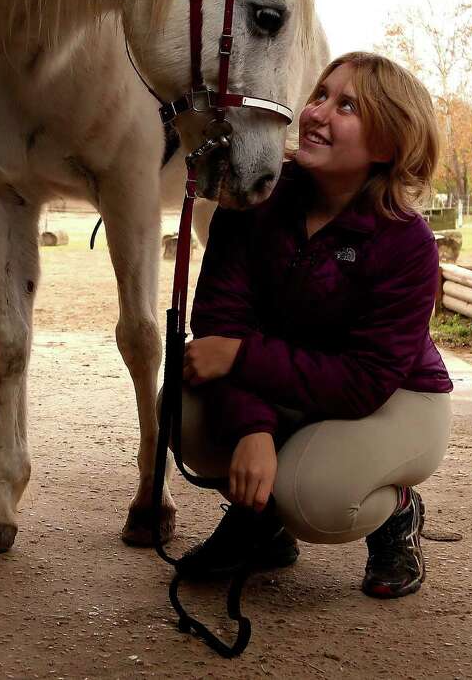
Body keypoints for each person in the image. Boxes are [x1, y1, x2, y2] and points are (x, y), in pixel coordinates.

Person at [175, 51, 452, 599]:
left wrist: (240, 357)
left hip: (394, 396)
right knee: (182, 411)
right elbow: (218, 325)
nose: (316, 113)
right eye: (320, 95)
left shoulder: (407, 242)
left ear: (387, 143)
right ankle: (260, 524)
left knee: (314, 498)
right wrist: (252, 427)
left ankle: (398, 512)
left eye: (346, 106)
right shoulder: (256, 197)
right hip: (284, 384)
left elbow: (364, 379)